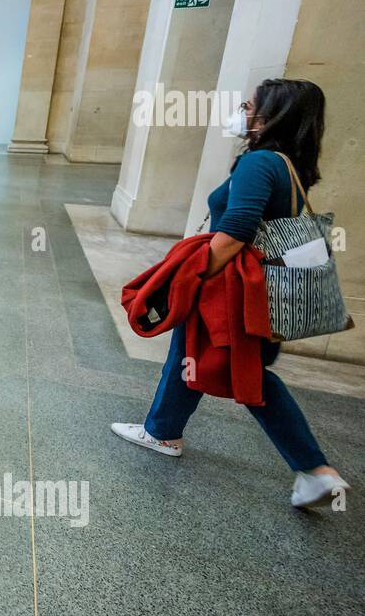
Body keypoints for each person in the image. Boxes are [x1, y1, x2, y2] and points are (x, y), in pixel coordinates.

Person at [111, 78, 349, 509]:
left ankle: (316, 470)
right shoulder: (289, 166)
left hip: (234, 287)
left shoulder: (260, 163)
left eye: (250, 104)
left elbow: (237, 228)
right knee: (191, 353)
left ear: (271, 114)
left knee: (248, 374)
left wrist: (195, 276)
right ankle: (162, 430)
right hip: (259, 287)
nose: (241, 108)